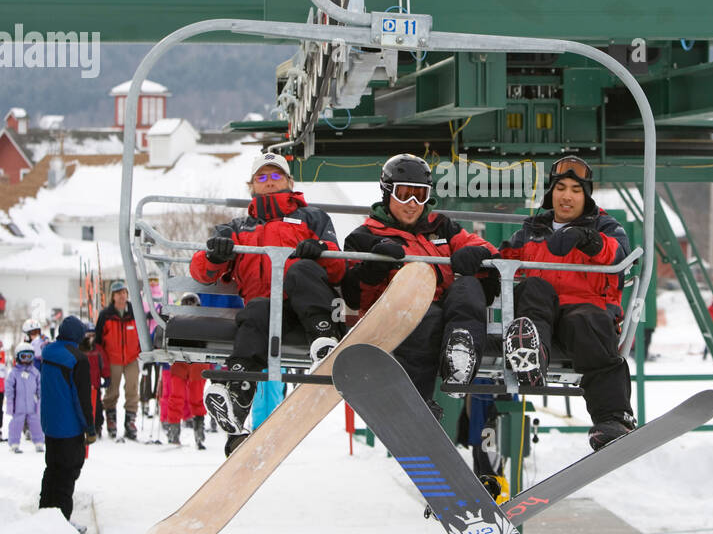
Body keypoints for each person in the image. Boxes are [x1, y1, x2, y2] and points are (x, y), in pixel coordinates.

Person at [191, 152, 346, 454]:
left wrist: (320, 251)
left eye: (276, 176)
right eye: (262, 177)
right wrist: (215, 255)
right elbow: (202, 272)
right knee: (258, 309)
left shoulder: (312, 217)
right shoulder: (237, 227)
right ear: (251, 185)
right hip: (265, 313)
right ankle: (237, 396)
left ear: (289, 181)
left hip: (306, 307)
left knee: (300, 268)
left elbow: (339, 267)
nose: (270, 182)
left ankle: (324, 340)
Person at [341, 153, 498, 422]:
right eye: (404, 194)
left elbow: (488, 249)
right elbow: (354, 294)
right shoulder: (365, 237)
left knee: (468, 286)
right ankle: (418, 400)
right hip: (397, 313)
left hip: (443, 307)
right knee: (429, 318)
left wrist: (476, 254)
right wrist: (375, 265)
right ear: (387, 193)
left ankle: (461, 354)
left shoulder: (440, 227)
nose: (413, 204)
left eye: (420, 195)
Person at [498, 155, 636, 450]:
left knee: (588, 323)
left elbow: (620, 256)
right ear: (551, 191)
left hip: (584, 306)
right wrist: (479, 260)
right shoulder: (532, 230)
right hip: (543, 311)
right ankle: (532, 355)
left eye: (576, 189)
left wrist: (589, 240)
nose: (567, 197)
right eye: (561, 188)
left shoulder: (605, 227)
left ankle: (612, 417)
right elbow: (504, 260)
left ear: (586, 195)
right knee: (533, 288)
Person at [39, 316, 97, 529]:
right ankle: (61, 522)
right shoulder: (77, 359)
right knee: (67, 473)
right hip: (69, 428)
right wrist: (89, 428)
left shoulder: (47, 353)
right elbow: (81, 399)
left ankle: (45, 513)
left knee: (52, 469)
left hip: (50, 424)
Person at [95, 280, 142, 440]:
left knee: (132, 390)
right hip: (112, 359)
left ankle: (130, 422)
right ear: (113, 297)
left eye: (124, 293)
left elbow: (143, 335)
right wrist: (101, 362)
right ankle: (111, 419)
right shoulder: (105, 315)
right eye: (118, 294)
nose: (122, 296)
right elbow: (98, 341)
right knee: (112, 391)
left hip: (131, 359)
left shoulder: (135, 312)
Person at [161, 293, 208, 448]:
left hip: (197, 362)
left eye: (192, 304)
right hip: (180, 362)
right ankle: (174, 432)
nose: (190, 308)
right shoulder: (177, 321)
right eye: (187, 304)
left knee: (196, 397)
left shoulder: (203, 322)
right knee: (176, 396)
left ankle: (199, 434)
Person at [5, 343, 44, 453]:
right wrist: (10, 403)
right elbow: (9, 388)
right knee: (16, 424)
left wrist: (40, 401)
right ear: (18, 357)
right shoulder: (14, 373)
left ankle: (39, 442)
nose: (26, 360)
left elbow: (40, 387)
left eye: (29, 356)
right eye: (23, 356)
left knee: (36, 423)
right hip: (19, 405)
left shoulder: (35, 372)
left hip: (32, 404)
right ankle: (14, 444)